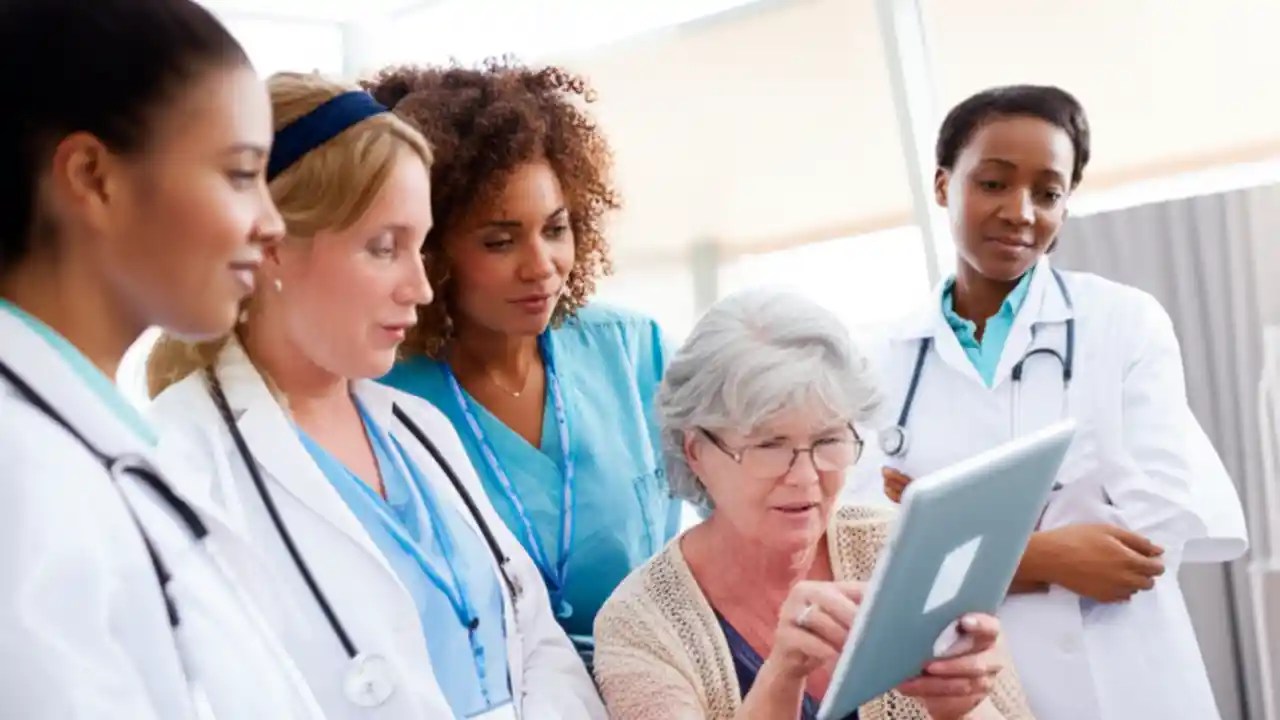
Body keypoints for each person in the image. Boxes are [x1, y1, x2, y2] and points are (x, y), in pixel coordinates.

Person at [146, 72, 605, 720]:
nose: (419, 288)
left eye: (419, 248)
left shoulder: (418, 428)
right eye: (384, 248)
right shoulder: (180, 464)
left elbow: (535, 640)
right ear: (270, 249)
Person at [844, 85, 1248, 720]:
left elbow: (1149, 543)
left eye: (1048, 192)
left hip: (1122, 682)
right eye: (994, 183)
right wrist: (1050, 554)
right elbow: (865, 554)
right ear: (945, 185)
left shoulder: (1123, 323)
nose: (1021, 211)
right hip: (969, 688)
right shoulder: (881, 359)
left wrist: (939, 537)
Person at [0, 1, 326, 717]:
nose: (270, 224)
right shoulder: (22, 478)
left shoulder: (84, 441)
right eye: (241, 174)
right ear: (92, 177)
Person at [593, 289, 1033, 720]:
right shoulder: (639, 624)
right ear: (696, 452)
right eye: (769, 445)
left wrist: (960, 710)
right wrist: (782, 675)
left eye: (827, 440)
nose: (805, 478)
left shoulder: (910, 550)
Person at [365, 59, 680, 658]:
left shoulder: (631, 349)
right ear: (430, 249)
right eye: (500, 241)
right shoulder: (386, 395)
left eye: (556, 229)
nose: (541, 266)